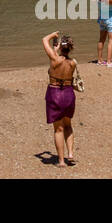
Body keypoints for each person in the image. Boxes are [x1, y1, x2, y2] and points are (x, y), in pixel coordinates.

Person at [43, 30, 77, 167]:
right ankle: (70, 153)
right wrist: (58, 49)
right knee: (68, 125)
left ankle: (61, 161)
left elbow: (44, 39)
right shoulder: (73, 62)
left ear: (60, 47)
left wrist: (52, 35)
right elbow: (66, 62)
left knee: (58, 129)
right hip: (69, 94)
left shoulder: (54, 59)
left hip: (55, 93)